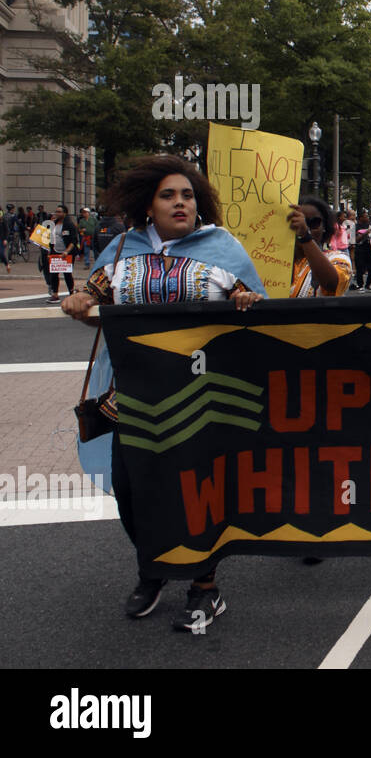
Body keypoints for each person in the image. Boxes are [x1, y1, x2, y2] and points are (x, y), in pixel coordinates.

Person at [60, 155, 264, 631]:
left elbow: (256, 309)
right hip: (128, 399)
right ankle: (152, 568)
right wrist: (78, 301)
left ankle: (205, 586)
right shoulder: (121, 249)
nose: (180, 203)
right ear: (148, 205)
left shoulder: (223, 249)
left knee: (197, 493)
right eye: (168, 195)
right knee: (132, 491)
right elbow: (91, 297)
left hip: (199, 398)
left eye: (188, 195)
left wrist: (245, 302)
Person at [288, 195, 353, 297]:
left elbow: (331, 284)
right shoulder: (274, 259)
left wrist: (305, 235)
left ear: (325, 227)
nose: (304, 226)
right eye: (297, 221)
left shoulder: (337, 258)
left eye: (314, 223)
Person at [40, 204, 81, 302]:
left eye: (59, 211)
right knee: (53, 273)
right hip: (55, 251)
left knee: (67, 273)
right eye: (56, 211)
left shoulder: (69, 225)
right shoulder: (53, 224)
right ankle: (55, 294)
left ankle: (71, 293)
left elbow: (74, 241)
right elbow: (49, 238)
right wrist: (49, 251)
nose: (56, 213)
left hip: (67, 253)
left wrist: (66, 252)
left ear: (65, 213)